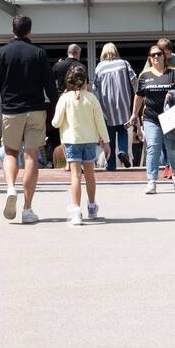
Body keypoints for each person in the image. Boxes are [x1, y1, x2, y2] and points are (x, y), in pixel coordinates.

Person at [0, 13, 56, 224]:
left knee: (10, 152)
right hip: (35, 109)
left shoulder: (2, 53)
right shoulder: (39, 53)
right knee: (31, 156)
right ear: (30, 31)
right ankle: (27, 208)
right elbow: (49, 85)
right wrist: (58, 107)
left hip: (11, 110)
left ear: (12, 30)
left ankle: (10, 188)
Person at [52, 64, 110, 226]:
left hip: (71, 141)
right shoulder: (91, 98)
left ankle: (76, 211)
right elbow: (100, 122)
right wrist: (106, 142)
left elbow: (56, 123)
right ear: (86, 82)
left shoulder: (64, 99)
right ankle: (92, 206)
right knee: (90, 174)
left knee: (75, 176)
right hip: (89, 140)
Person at [128, 45, 175, 193]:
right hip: (151, 117)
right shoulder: (144, 75)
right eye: (153, 55)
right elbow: (139, 95)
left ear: (164, 56)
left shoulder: (174, 73)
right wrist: (134, 114)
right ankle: (152, 181)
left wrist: (174, 94)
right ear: (149, 58)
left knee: (172, 148)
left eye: (159, 54)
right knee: (153, 147)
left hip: (170, 117)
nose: (156, 57)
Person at [91, 42, 137, 170]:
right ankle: (122, 151)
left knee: (109, 136)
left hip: (107, 107)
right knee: (123, 131)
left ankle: (110, 165)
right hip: (123, 103)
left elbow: (95, 87)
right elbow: (134, 80)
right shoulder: (124, 63)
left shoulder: (99, 67)